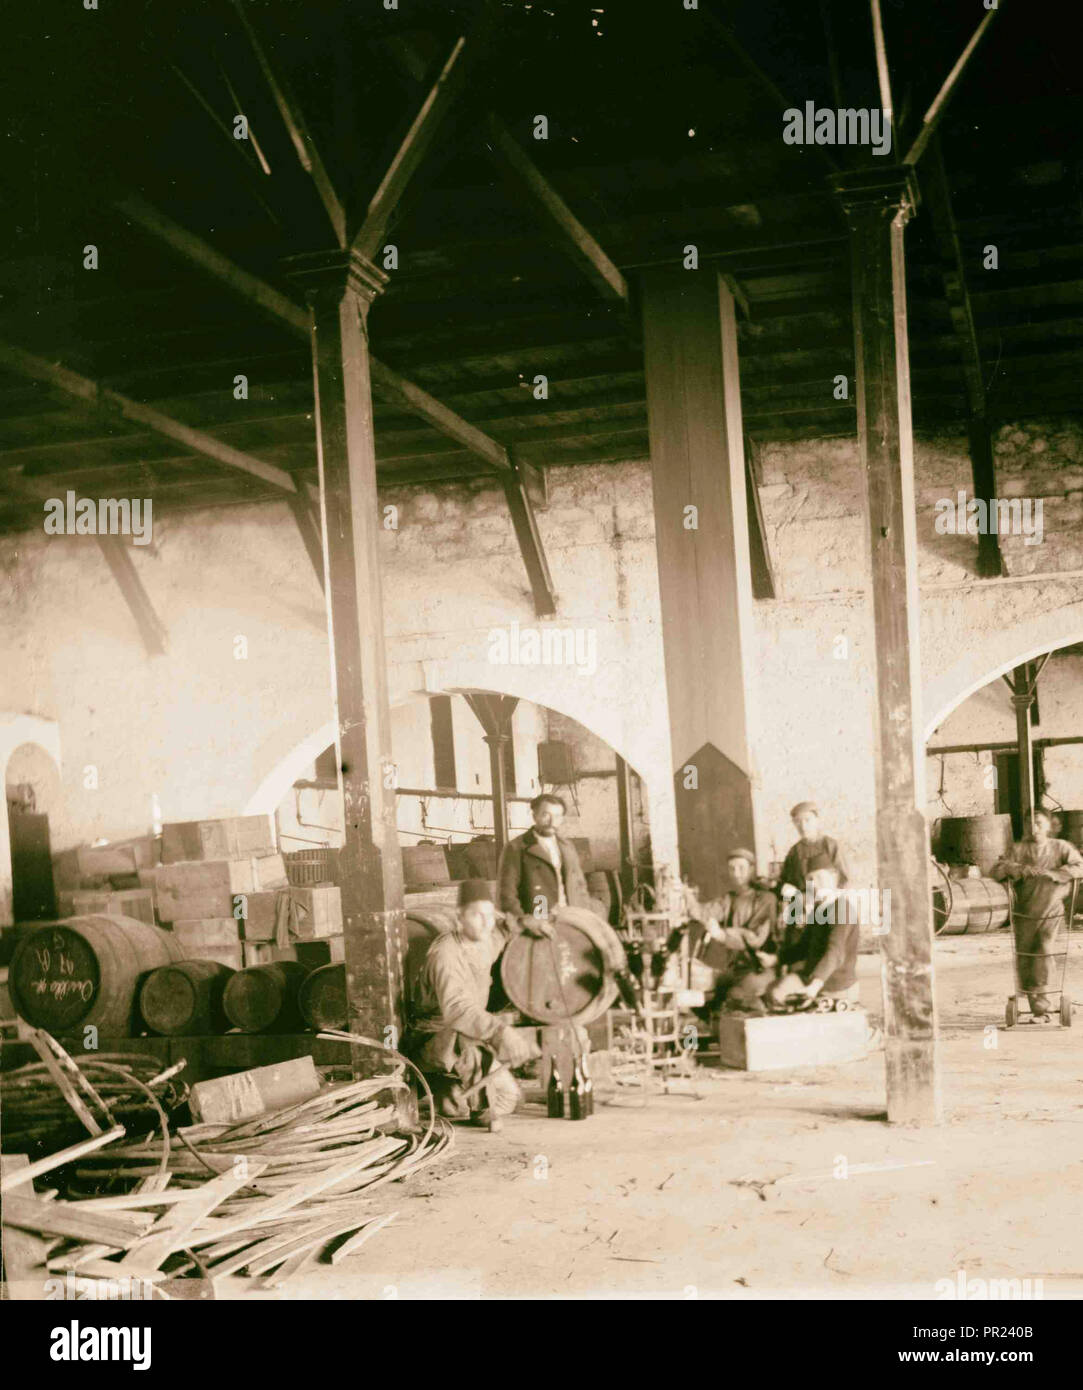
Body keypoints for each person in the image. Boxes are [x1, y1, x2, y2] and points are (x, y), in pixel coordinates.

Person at [405, 879, 542, 1128]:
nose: (485, 922)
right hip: (433, 1037)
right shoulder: (445, 955)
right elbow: (457, 1010)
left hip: (461, 1033)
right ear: (459, 917)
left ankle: (445, 1088)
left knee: (457, 1104)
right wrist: (501, 1033)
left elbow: (503, 928)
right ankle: (464, 1095)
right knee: (506, 1098)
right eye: (477, 915)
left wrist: (523, 923)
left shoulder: (485, 938)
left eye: (488, 915)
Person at [991, 808, 1083, 1020]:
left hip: (1051, 912)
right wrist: (1017, 869)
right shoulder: (1018, 849)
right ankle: (1037, 1002)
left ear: (1050, 825)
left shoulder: (1060, 847)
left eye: (1039, 823)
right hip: (1025, 913)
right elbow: (997, 870)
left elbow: (1080, 866)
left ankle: (1043, 1006)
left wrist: (1056, 874)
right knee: (1026, 956)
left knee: (1044, 950)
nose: (1034, 828)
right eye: (1029, 824)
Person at [690, 848, 779, 1014]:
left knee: (734, 1000)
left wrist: (722, 935)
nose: (736, 873)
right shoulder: (730, 899)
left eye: (741, 868)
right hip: (736, 969)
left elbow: (754, 939)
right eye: (732, 868)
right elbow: (702, 912)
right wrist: (684, 894)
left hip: (759, 970)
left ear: (752, 869)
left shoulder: (766, 899)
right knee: (700, 1000)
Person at [771, 857, 861, 1008]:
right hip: (815, 982)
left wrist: (815, 985)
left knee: (781, 996)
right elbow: (803, 948)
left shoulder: (841, 909)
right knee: (775, 991)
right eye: (810, 879)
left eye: (820, 877)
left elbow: (835, 952)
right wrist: (776, 959)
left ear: (834, 877)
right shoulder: (820, 909)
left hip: (836, 987)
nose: (815, 884)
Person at [498, 792, 591, 924]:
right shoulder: (516, 848)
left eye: (557, 816)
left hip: (572, 918)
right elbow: (507, 894)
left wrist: (585, 915)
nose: (552, 822)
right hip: (539, 920)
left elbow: (580, 886)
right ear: (534, 815)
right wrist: (524, 922)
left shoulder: (567, 846)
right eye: (545, 815)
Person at [778, 801, 849, 899]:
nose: (803, 826)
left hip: (830, 901)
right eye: (798, 821)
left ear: (817, 820)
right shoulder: (794, 852)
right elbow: (785, 881)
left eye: (807, 820)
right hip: (803, 904)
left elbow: (844, 879)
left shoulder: (831, 845)